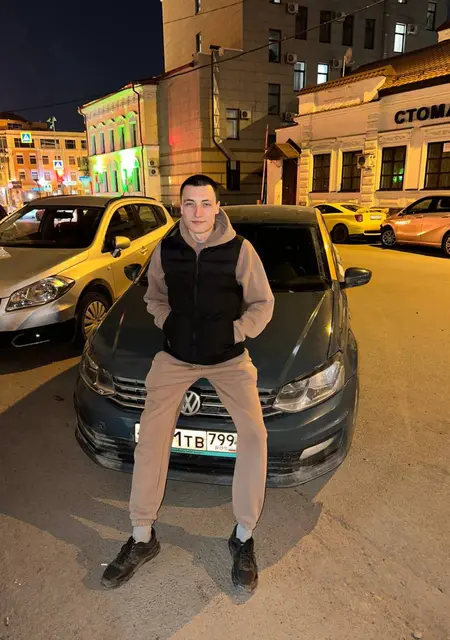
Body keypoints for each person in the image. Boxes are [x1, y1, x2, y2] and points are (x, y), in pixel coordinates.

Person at [102, 175, 274, 593]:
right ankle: (142, 535)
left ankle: (243, 535)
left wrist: (235, 332)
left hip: (228, 358)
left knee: (254, 435)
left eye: (205, 203)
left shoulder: (240, 250)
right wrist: (168, 323)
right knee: (151, 437)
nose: (198, 212)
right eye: (190, 203)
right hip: (175, 357)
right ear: (180, 206)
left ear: (217, 207)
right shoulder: (166, 248)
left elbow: (263, 302)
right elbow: (153, 296)